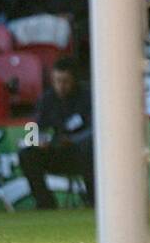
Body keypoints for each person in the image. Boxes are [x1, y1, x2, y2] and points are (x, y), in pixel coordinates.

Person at [18, 58, 94, 210]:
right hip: (57, 150)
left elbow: (96, 129)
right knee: (27, 154)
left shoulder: (87, 97)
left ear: (74, 80)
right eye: (57, 81)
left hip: (82, 152)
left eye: (65, 81)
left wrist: (73, 140)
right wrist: (36, 140)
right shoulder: (47, 99)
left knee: (89, 149)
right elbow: (33, 127)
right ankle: (45, 203)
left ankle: (94, 200)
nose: (61, 86)